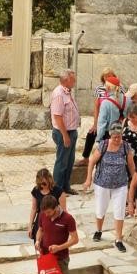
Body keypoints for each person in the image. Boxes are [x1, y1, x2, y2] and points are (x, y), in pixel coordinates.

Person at [85, 124, 134, 251]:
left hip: (120, 184)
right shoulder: (103, 145)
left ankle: (118, 239)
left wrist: (134, 181)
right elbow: (91, 161)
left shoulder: (126, 146)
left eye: (119, 137)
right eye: (115, 137)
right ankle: (99, 230)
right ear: (110, 136)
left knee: (119, 211)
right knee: (101, 209)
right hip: (102, 183)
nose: (118, 139)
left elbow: (131, 166)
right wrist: (88, 178)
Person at [48, 70, 78, 198]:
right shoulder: (59, 94)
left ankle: (66, 186)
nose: (75, 81)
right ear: (66, 80)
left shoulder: (67, 92)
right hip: (63, 133)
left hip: (71, 131)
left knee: (69, 161)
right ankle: (57, 190)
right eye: (73, 79)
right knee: (61, 162)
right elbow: (58, 116)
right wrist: (65, 135)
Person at [28, 168, 57, 241]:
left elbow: (63, 210)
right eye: (40, 184)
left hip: (53, 222)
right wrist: (30, 226)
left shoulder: (58, 191)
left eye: (44, 183)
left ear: (49, 180)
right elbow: (34, 209)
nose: (42, 185)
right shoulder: (36, 190)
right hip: (40, 222)